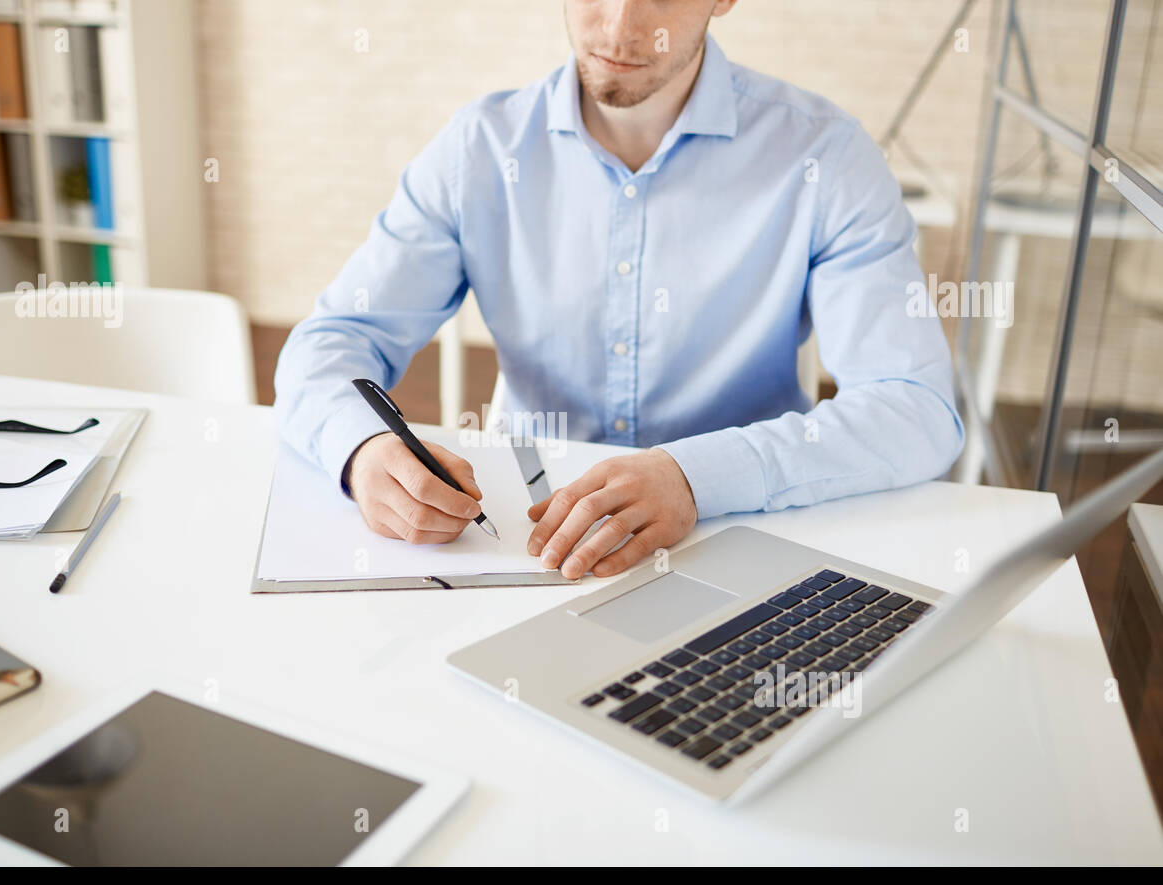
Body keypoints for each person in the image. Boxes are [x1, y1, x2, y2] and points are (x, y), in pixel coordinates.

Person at [274, 0, 964, 581]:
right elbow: (332, 343)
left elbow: (917, 410)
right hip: (518, 540)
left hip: (742, 536)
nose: (619, 27)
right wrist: (359, 449)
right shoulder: (480, 149)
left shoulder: (826, 157)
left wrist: (696, 475)